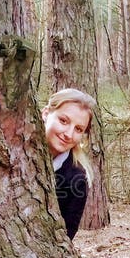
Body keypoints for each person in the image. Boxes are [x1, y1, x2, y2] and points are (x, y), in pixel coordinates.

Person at [42, 88, 95, 239]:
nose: (68, 134)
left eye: (78, 129)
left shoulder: (77, 180)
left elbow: (66, 237)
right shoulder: (13, 151)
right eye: (63, 121)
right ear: (46, 113)